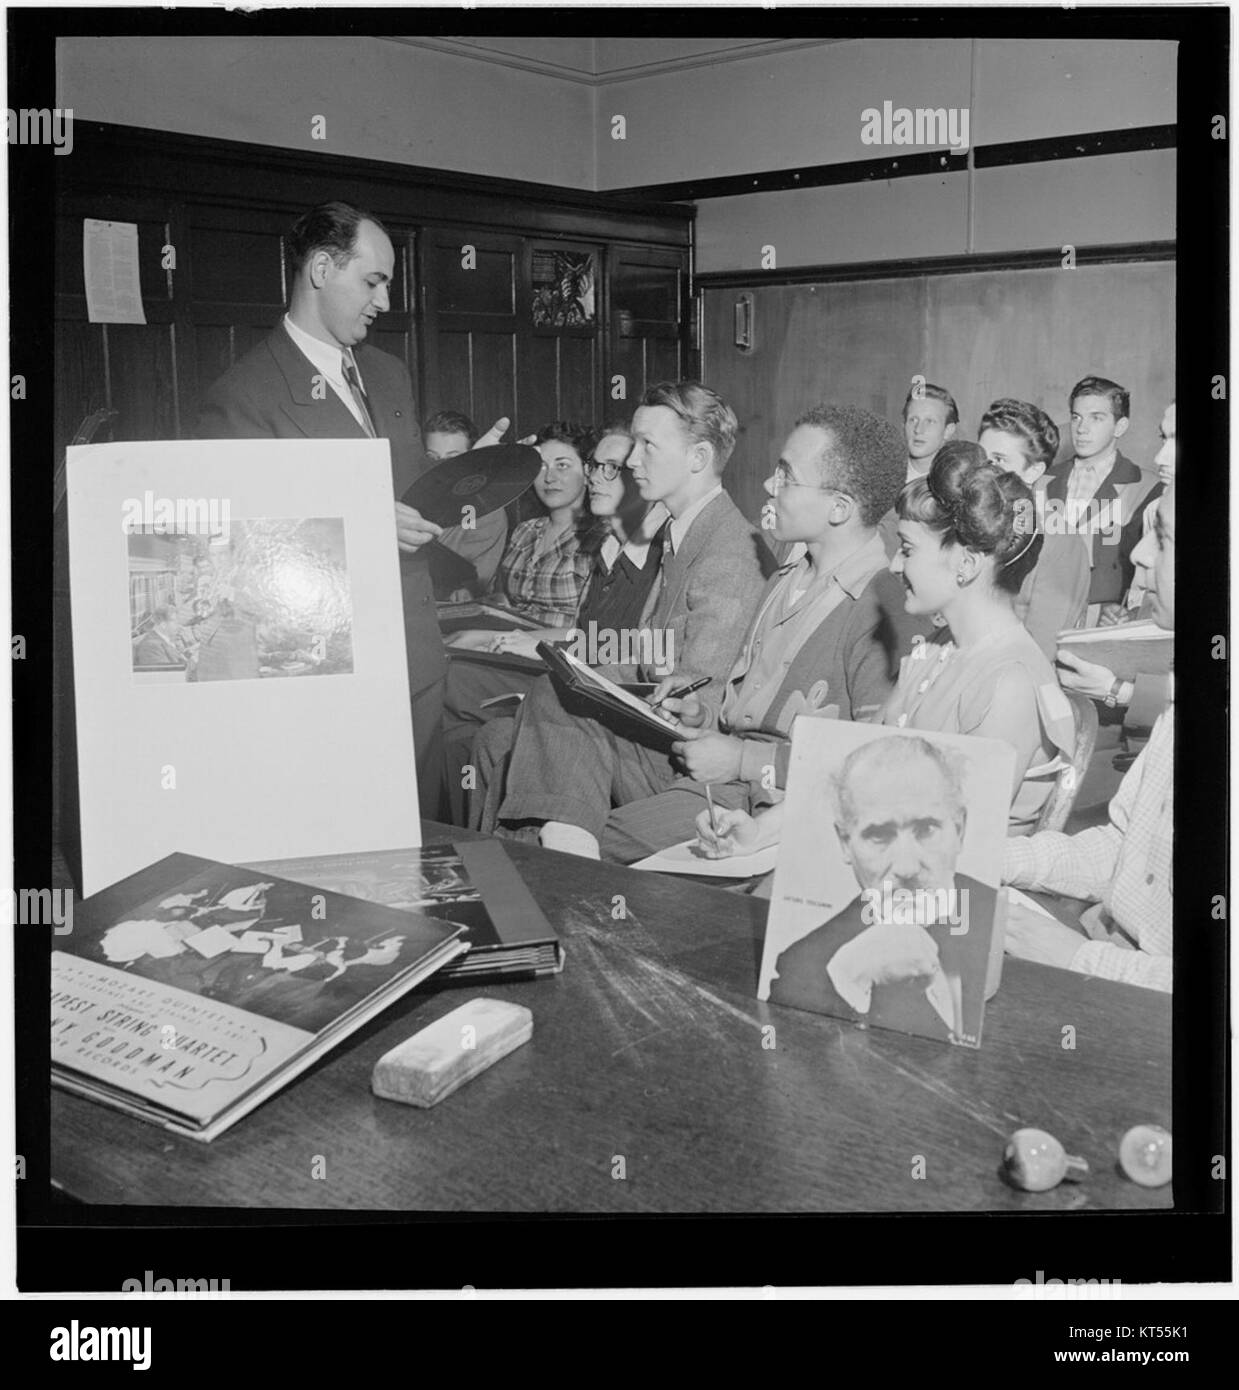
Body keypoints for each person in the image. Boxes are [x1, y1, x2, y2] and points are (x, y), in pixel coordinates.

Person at [196, 201, 508, 808]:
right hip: (327, 669)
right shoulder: (244, 394)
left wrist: (466, 475)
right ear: (321, 270)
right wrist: (360, 526)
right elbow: (239, 550)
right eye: (373, 282)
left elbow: (407, 494)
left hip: (415, 655)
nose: (385, 301)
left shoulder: (387, 373)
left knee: (422, 830)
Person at [554, 404, 931, 863]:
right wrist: (701, 712)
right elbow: (743, 705)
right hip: (712, 768)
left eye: (787, 476)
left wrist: (739, 760)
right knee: (560, 710)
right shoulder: (784, 580)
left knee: (595, 845)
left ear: (839, 507)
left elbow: (876, 764)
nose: (770, 486)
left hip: (766, 803)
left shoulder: (886, 606)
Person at [698, 441, 1076, 858]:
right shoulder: (936, 651)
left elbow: (951, 844)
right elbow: (855, 772)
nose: (895, 565)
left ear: (966, 565)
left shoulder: (1009, 683)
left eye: (908, 550)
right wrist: (760, 832)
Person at [489, 379, 776, 859]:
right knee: (524, 719)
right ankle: (549, 856)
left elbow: (698, 699)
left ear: (698, 458)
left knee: (552, 704)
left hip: (692, 759)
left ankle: (556, 863)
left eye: (647, 445)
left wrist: (592, 683)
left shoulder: (729, 552)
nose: (632, 460)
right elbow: (649, 654)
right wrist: (583, 672)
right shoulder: (681, 536)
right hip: (661, 734)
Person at [439, 423, 668, 826]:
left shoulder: (635, 548)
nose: (596, 477)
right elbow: (587, 631)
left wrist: (527, 641)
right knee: (463, 730)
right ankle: (456, 832)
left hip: (573, 676)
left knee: (452, 679)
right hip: (554, 658)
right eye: (596, 466)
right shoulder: (558, 537)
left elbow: (628, 645)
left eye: (611, 468)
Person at [1002, 481, 1175, 992]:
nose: (1138, 554)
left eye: (1163, 538)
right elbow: (1122, 852)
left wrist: (1078, 958)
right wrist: (998, 858)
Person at [767, 735, 996, 1045]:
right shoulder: (805, 967)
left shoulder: (999, 923)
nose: (906, 867)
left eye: (926, 829)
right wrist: (849, 981)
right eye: (879, 835)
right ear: (845, 843)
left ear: (960, 830)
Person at [448, 421, 603, 639]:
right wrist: (487, 602)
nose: (549, 478)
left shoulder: (601, 538)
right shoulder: (525, 531)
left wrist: (493, 638)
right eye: (541, 466)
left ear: (587, 473)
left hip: (559, 653)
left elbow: (595, 633)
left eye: (562, 465)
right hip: (507, 642)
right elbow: (505, 598)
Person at [977, 397, 1090, 658]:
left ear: (1033, 471)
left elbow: (1041, 652)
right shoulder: (970, 522)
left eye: (998, 460)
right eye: (981, 457)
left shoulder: (1060, 543)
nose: (982, 470)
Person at [1043, 376, 1158, 621]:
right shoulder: (1043, 480)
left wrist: (1129, 613)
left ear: (1120, 426)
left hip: (1100, 623)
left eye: (1096, 418)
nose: (1081, 428)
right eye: (1076, 417)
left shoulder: (1147, 488)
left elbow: (1151, 573)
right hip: (1043, 615)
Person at [420, 409, 508, 598]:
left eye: (453, 459)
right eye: (432, 457)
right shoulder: (411, 501)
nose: (441, 467)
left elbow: (470, 583)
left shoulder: (485, 510)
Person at [903, 381, 959, 482]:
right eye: (913, 420)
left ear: (948, 431)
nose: (918, 430)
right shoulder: (885, 472)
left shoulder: (956, 481)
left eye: (929, 421)